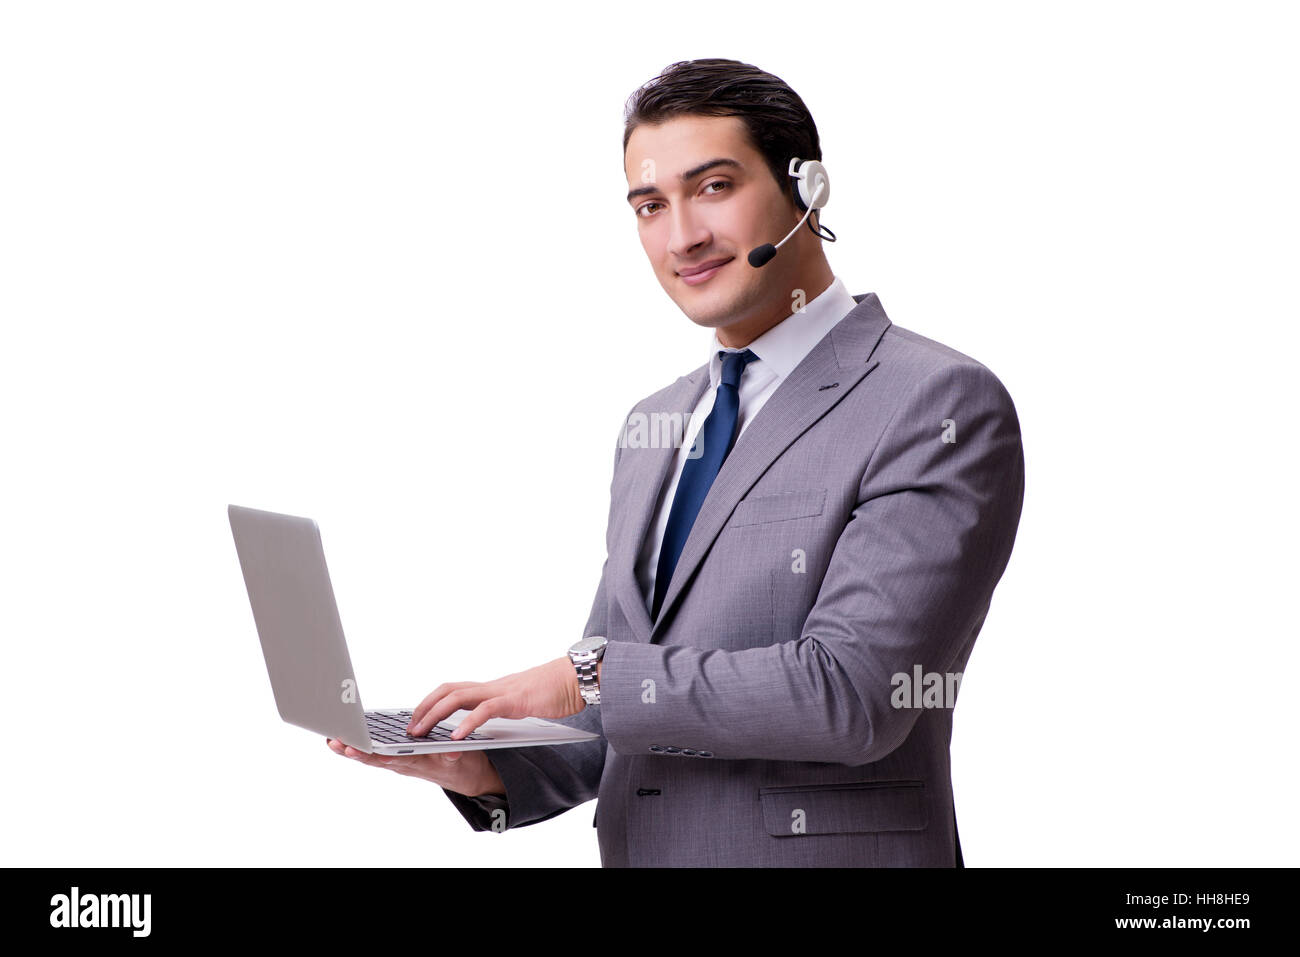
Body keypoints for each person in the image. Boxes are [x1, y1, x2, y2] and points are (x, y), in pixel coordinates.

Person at [327, 58, 1025, 867]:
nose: (681, 235)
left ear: (809, 189)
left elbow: (853, 695)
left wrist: (584, 677)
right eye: (651, 206)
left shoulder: (933, 402)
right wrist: (486, 767)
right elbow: (618, 711)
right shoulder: (654, 425)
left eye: (716, 187)